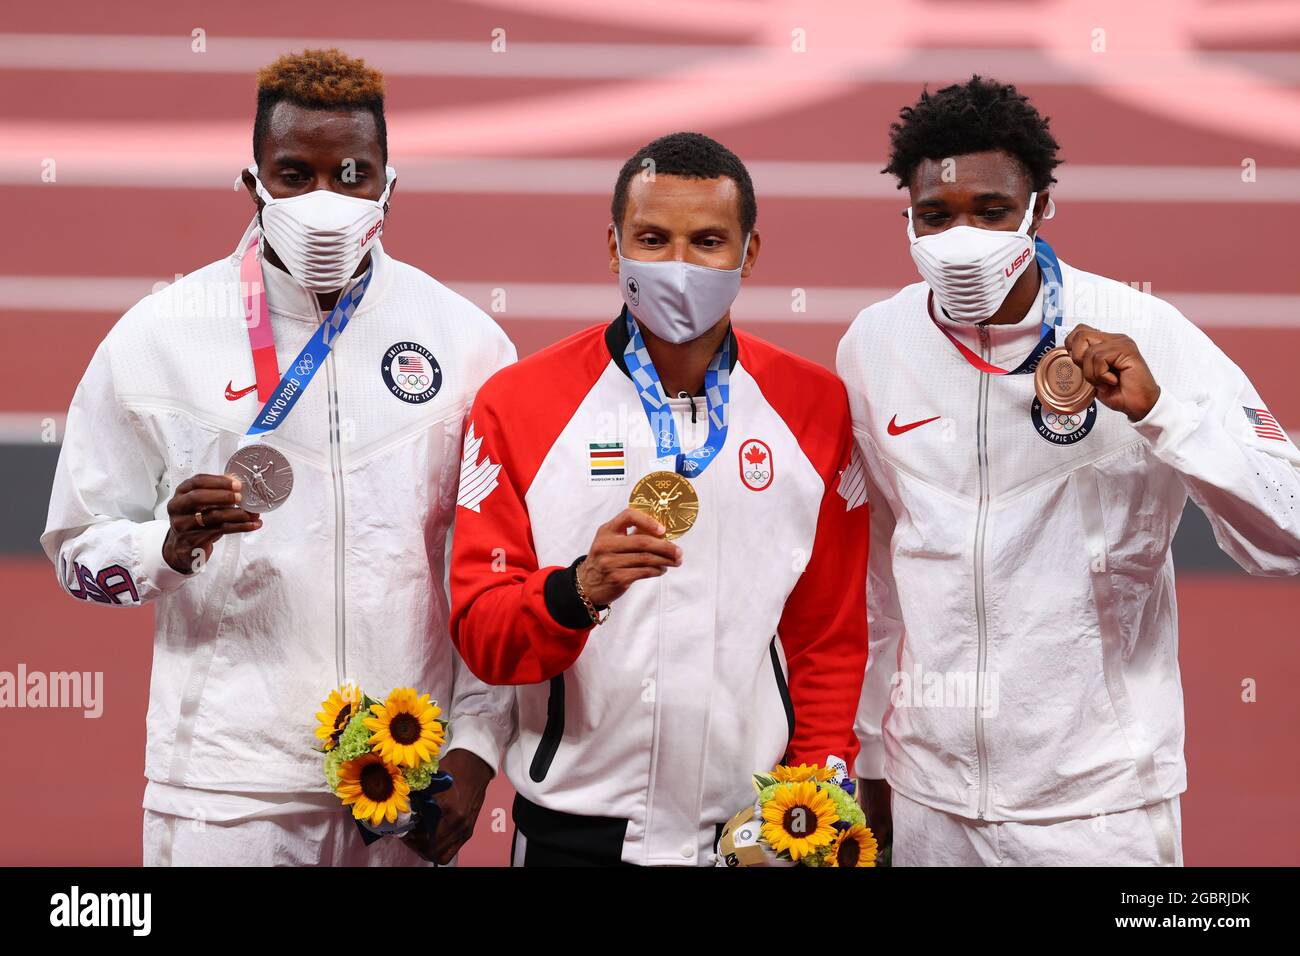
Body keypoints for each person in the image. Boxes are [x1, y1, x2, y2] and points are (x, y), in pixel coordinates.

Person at [41, 49, 516, 866]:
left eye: (353, 173)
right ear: (251, 182)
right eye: (294, 174)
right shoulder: (159, 338)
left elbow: (491, 570)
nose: (322, 199)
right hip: (224, 795)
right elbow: (77, 555)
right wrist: (166, 545)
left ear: (388, 188)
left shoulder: (467, 345)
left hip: (401, 783)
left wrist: (474, 749)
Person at [839, 76, 1300, 866]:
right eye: (935, 215)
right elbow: (880, 571)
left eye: (990, 211)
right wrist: (873, 761)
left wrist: (1163, 418)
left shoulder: (1147, 329)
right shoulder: (874, 345)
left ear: (1040, 206)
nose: (961, 237)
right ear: (906, 217)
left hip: (1097, 808)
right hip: (928, 800)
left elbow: (1288, 531)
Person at [449, 132, 870, 866]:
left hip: (752, 834)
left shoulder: (814, 408)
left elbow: (826, 638)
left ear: (749, 253)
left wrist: (815, 794)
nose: (679, 266)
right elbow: (482, 634)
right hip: (570, 835)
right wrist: (574, 593)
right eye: (652, 239)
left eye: (708, 241)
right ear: (614, 249)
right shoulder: (518, 404)